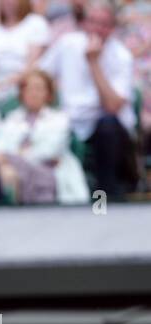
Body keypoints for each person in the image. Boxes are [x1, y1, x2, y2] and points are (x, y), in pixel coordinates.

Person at [37, 0, 136, 199]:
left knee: (106, 125)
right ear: (83, 23)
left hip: (110, 129)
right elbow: (40, 74)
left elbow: (112, 106)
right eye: (93, 22)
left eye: (103, 24)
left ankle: (107, 196)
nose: (97, 29)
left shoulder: (122, 56)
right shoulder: (67, 44)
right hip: (70, 124)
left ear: (112, 28)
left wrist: (94, 64)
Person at [0, 67, 89, 203]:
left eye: (39, 89)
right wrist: (15, 156)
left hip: (51, 174)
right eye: (28, 89)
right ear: (21, 93)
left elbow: (49, 151)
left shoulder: (59, 119)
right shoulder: (12, 118)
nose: (33, 93)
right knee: (6, 173)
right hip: (17, 174)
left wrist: (12, 156)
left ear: (48, 94)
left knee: (11, 171)